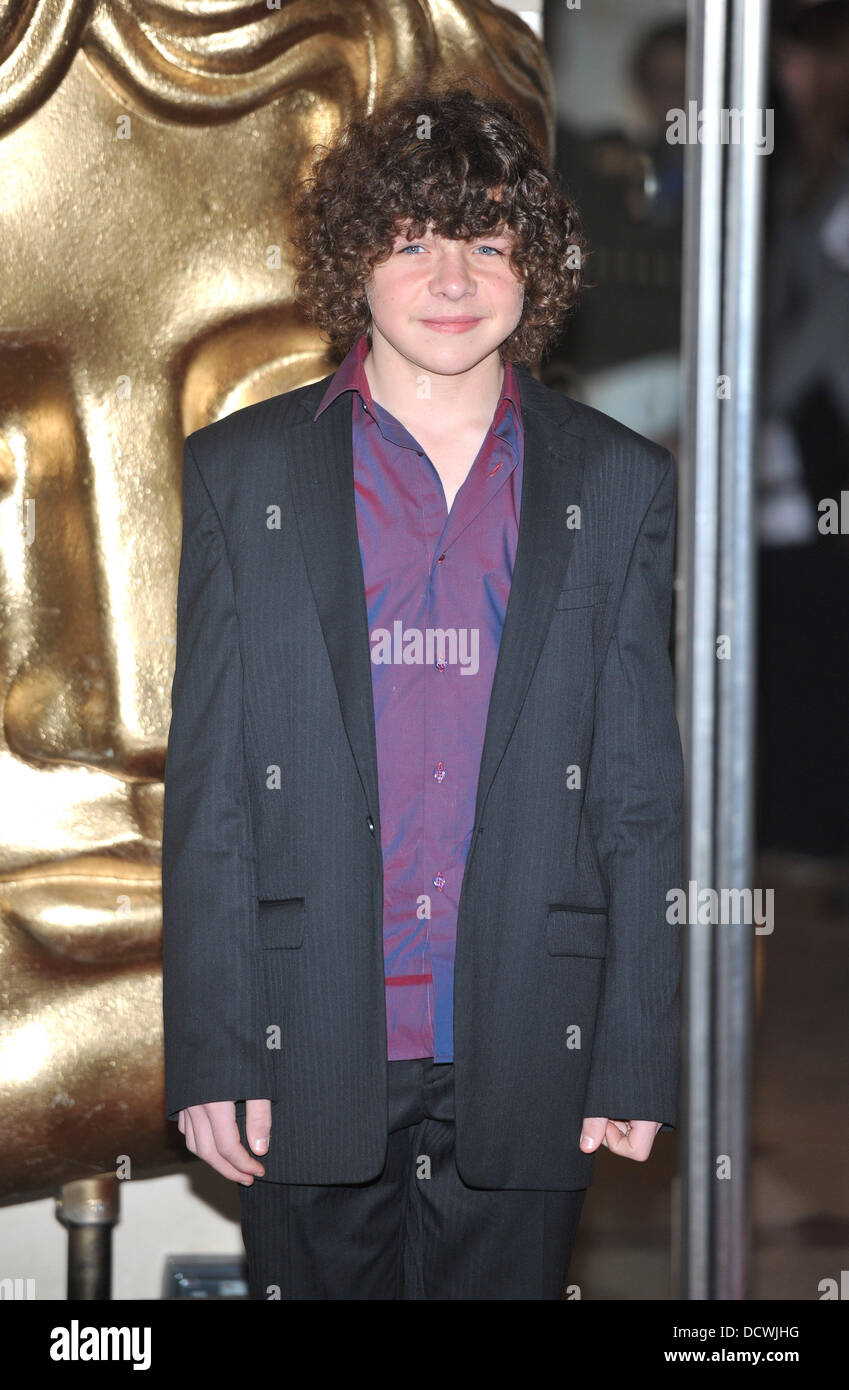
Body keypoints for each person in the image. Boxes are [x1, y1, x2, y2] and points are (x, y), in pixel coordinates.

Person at [161, 82, 684, 1301]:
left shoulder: (618, 484)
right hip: (310, 1032)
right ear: (358, 259)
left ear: (534, 268)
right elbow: (214, 789)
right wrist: (213, 1047)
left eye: (488, 241)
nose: (453, 277)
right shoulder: (245, 473)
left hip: (529, 1033)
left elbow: (641, 795)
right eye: (414, 240)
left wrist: (636, 1054)